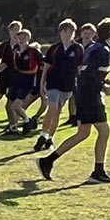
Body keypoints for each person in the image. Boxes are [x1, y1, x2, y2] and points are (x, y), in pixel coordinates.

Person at [38, 17, 110, 185]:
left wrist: (104, 82)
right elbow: (91, 75)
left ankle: (47, 161)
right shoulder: (104, 51)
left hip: (82, 94)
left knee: (83, 133)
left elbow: (87, 72)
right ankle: (98, 171)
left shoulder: (92, 47)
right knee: (104, 131)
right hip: (90, 96)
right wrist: (104, 88)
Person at [35, 19, 82, 152]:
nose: (67, 34)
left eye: (71, 31)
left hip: (68, 85)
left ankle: (50, 137)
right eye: (65, 31)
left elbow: (80, 69)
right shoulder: (54, 48)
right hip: (53, 82)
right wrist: (41, 84)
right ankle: (43, 135)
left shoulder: (78, 49)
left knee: (58, 111)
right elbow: (46, 67)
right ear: (60, 32)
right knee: (52, 107)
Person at [6, 28, 44, 136]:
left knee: (16, 106)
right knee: (8, 105)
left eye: (24, 37)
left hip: (27, 81)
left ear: (28, 38)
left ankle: (27, 121)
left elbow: (43, 62)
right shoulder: (15, 49)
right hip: (16, 80)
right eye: (19, 37)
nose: (21, 39)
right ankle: (12, 127)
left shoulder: (33, 51)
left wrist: (38, 73)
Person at [66, 22, 97, 127]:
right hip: (73, 73)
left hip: (87, 75)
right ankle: (72, 116)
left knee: (82, 96)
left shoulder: (94, 47)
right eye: (85, 32)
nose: (87, 35)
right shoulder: (75, 45)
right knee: (72, 95)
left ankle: (80, 116)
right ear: (81, 33)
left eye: (90, 33)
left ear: (93, 34)